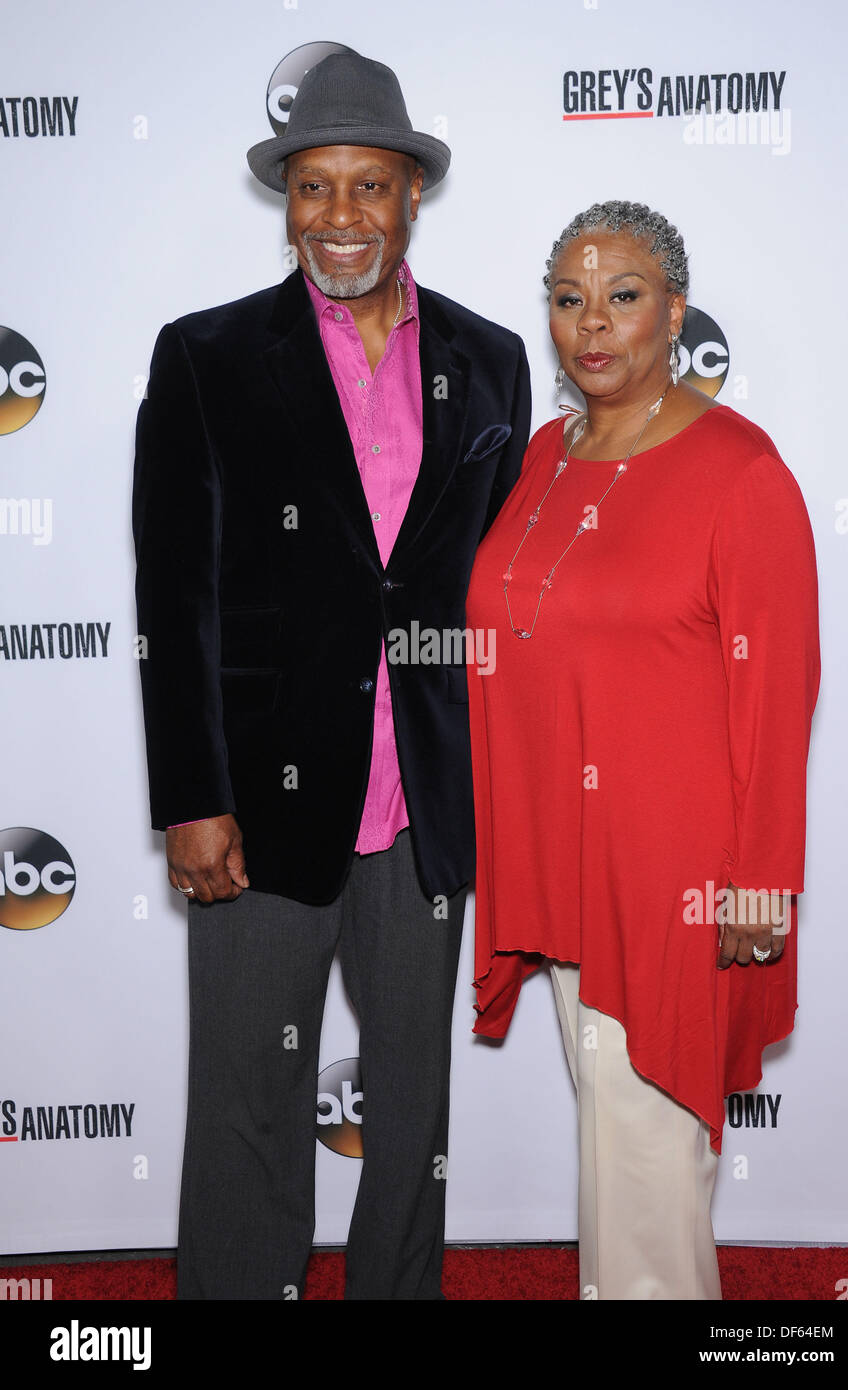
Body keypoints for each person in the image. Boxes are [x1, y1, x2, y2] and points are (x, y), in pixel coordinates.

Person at [132, 49, 530, 1300]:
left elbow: (495, 595)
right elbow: (171, 593)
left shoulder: (493, 358)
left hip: (423, 804)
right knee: (248, 1097)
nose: (341, 217)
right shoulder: (205, 355)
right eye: (315, 188)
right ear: (286, 199)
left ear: (412, 195)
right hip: (260, 804)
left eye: (368, 186)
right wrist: (191, 797)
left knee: (412, 1113)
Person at [465, 200, 820, 1300]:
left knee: (642, 1153)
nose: (592, 325)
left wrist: (758, 885)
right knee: (621, 1145)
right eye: (568, 300)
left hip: (676, 876)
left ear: (674, 308)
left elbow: (779, 691)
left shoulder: (738, 470)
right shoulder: (542, 453)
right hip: (568, 861)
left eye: (622, 297)